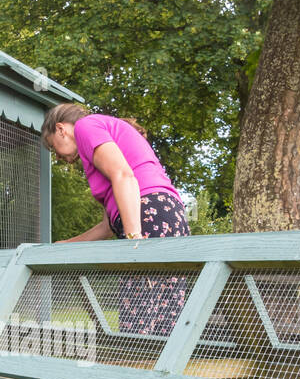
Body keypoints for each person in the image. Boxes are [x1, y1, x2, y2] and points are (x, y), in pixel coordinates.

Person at [41, 103, 190, 338]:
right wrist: (67, 245)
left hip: (147, 214)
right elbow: (108, 226)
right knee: (163, 317)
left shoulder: (85, 126)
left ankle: (135, 369)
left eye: (52, 146)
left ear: (60, 129)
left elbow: (124, 174)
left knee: (138, 318)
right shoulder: (102, 151)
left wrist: (134, 243)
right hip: (165, 213)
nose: (58, 155)